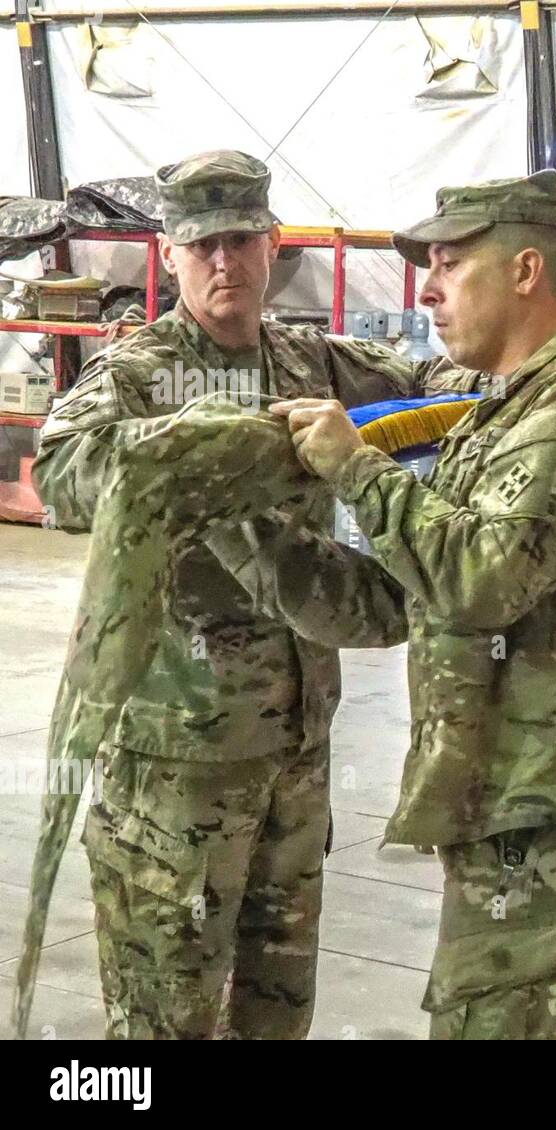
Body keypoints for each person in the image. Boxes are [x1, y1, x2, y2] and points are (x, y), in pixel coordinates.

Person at [219, 171, 556, 1039]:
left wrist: (355, 467)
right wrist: (243, 532)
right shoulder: (494, 419)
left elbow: (482, 580)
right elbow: (393, 603)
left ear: (526, 271)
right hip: (502, 803)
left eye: (449, 265)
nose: (425, 291)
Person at [30, 149, 459, 1040]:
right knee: (165, 1018)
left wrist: (496, 393)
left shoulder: (311, 363)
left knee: (278, 1002)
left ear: (272, 246)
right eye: (201, 248)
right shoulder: (137, 373)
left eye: (238, 242)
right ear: (172, 257)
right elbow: (63, 473)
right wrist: (186, 447)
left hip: (296, 751)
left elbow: (434, 386)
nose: (223, 264)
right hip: (176, 765)